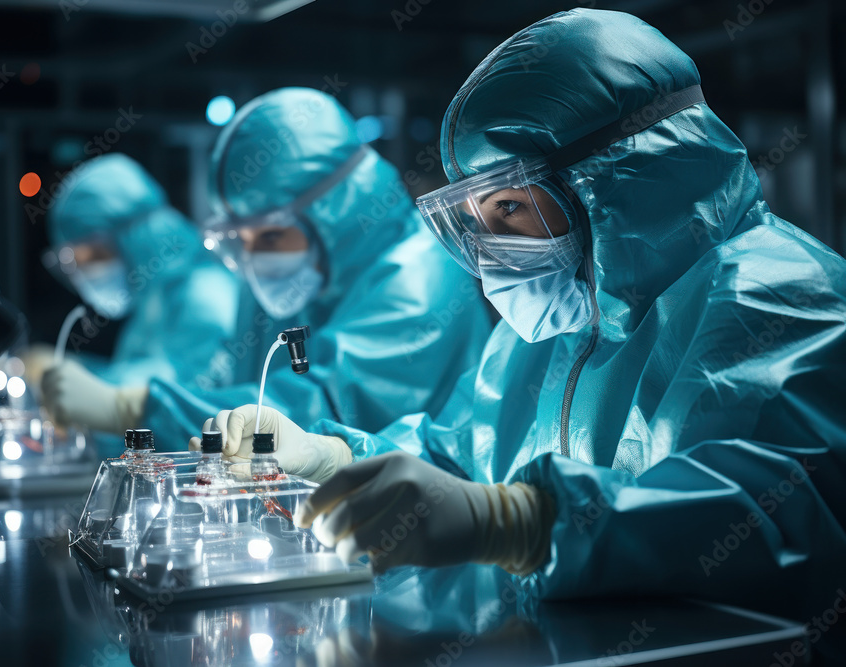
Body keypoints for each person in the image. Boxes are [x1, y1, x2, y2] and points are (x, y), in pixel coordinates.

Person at [210, 8, 846, 641]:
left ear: (609, 179)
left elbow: (774, 522)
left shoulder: (778, 294)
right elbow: (461, 459)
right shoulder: (550, 327)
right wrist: (336, 459)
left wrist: (520, 522)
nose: (489, 251)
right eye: (474, 220)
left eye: (508, 207)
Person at [52, 88, 494, 479]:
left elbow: (318, 407)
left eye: (269, 234)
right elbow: (229, 383)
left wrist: (133, 408)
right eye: (238, 240)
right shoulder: (295, 270)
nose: (253, 258)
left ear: (335, 208)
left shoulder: (418, 278)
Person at [38, 154, 240, 433]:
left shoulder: (205, 294)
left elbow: (192, 398)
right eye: (73, 262)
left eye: (94, 254)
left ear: (138, 237)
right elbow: (140, 373)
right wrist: (72, 375)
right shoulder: (153, 301)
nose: (85, 273)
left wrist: (109, 402)